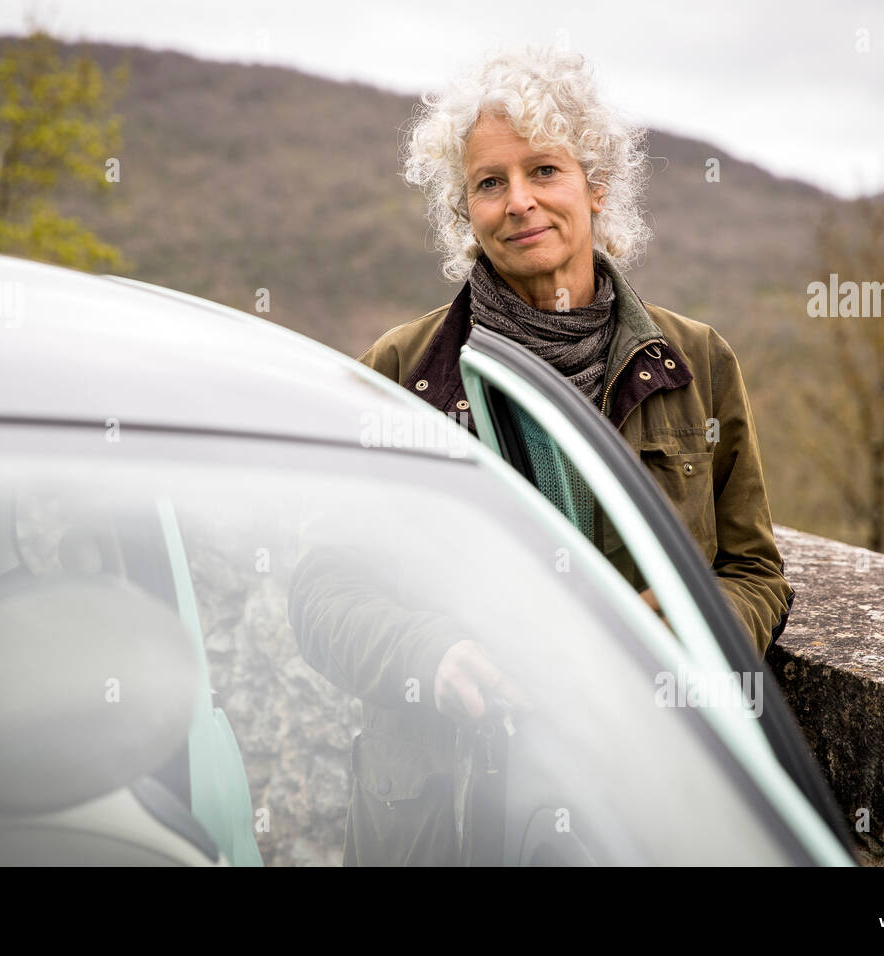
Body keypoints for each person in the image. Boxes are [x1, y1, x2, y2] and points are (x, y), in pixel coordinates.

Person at [292, 43, 794, 866]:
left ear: (596, 188)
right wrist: (429, 655)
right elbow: (321, 589)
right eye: (490, 183)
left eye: (545, 172)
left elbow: (754, 573)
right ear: (465, 214)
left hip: (641, 798)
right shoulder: (401, 372)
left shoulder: (698, 363)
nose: (519, 202)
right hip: (443, 819)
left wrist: (680, 645)